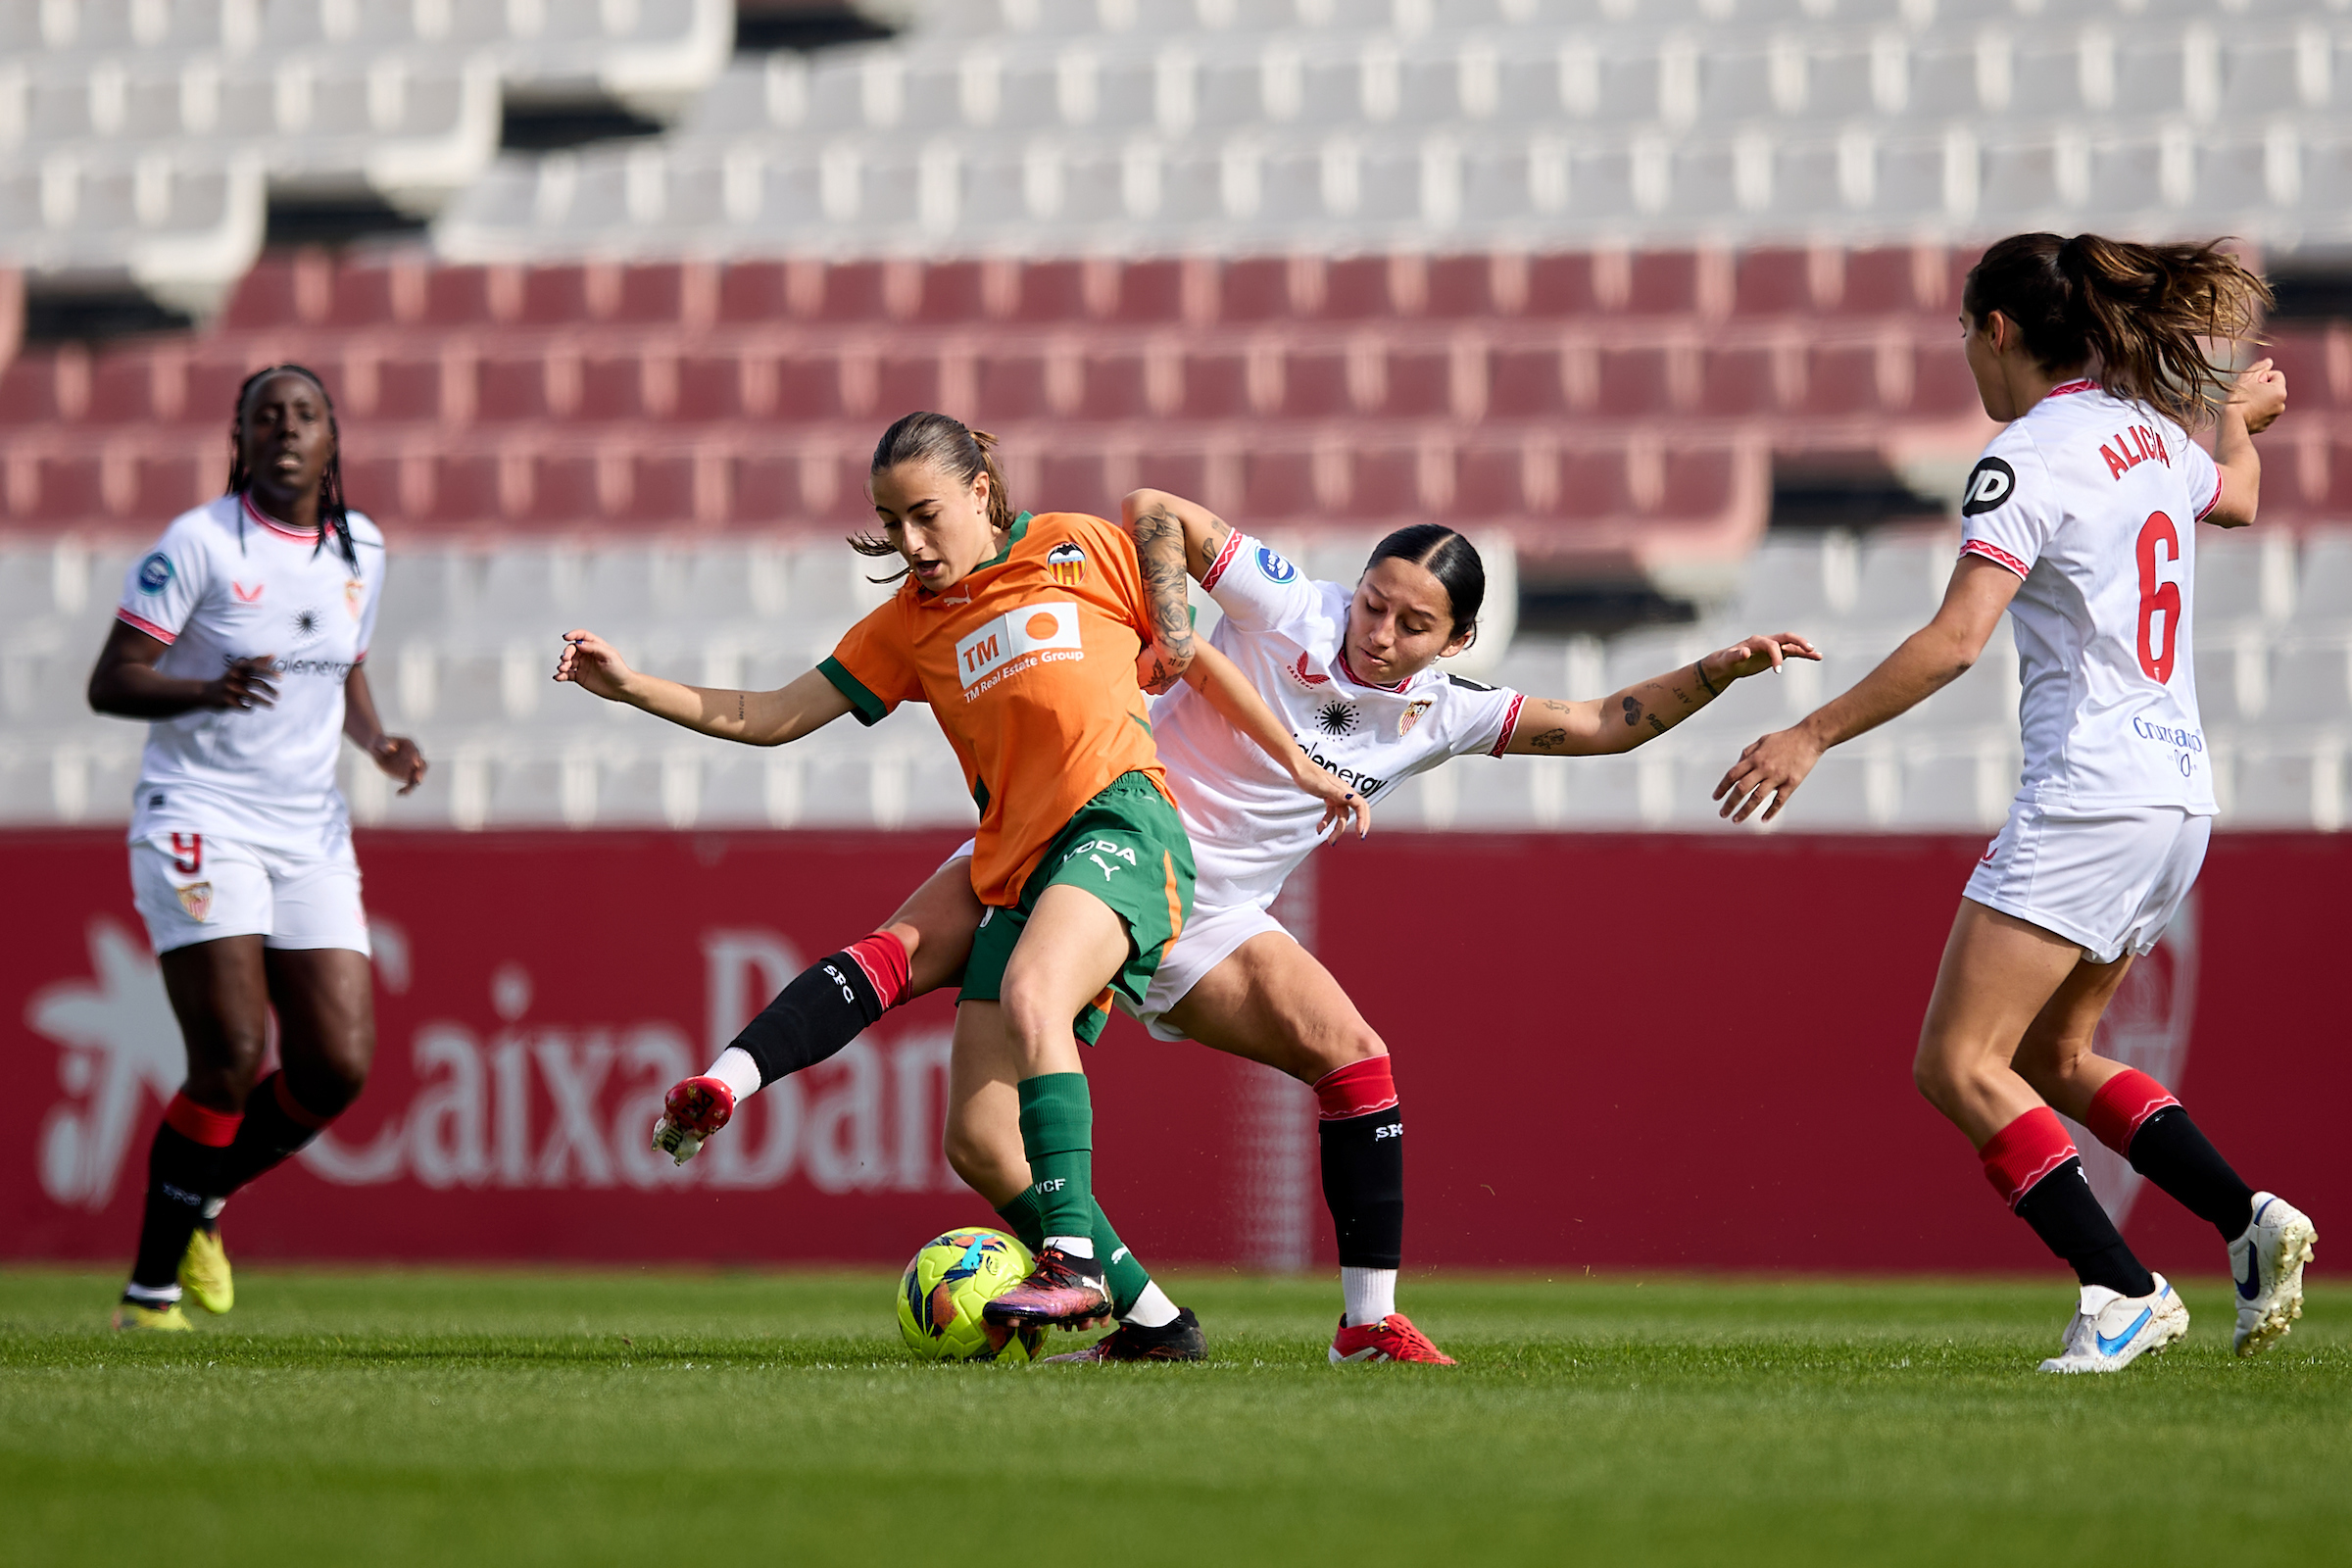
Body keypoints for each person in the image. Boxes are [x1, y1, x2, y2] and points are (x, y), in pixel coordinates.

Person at [651, 493, 1815, 1363]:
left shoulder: (1446, 713)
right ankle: (1149, 1317)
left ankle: (1367, 1324)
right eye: (1373, 601)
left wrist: (1720, 670)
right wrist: (1174, 620)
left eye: (1412, 624)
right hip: (1082, 828)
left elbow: (1604, 722)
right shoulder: (1290, 600)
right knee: (979, 1137)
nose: (1376, 632)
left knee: (1355, 1059)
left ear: (1455, 644)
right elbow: (1159, 511)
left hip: (1202, 915)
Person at [557, 412, 1361, 1337]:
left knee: (1033, 993)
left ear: (981, 492)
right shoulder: (909, 623)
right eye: (890, 521)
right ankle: (1155, 1325)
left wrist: (1302, 766)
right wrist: (633, 688)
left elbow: (1202, 667)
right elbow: (770, 716)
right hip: (1015, 859)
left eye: (925, 515)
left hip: (1123, 823)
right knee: (977, 1140)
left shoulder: (1080, 547)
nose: (909, 542)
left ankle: (1072, 1263)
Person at [1714, 232, 2314, 1373]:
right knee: (2055, 1052)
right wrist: (2235, 421)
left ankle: (2122, 1287)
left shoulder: (2026, 455)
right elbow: (2233, 496)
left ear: (1997, 331)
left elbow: (1957, 640)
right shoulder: (2151, 435)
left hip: (2090, 794)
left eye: (1965, 334)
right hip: (2178, 798)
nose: (1966, 355)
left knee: (1957, 1062)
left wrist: (1811, 732)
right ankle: (2248, 1220)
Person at [86, 364, 427, 1332]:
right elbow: (112, 680)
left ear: (331, 439)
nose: (285, 429)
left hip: (309, 829)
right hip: (200, 815)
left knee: (336, 1067)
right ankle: (150, 1295)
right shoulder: (198, 544)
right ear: (239, 439)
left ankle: (200, 1199)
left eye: (303, 415)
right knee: (231, 1054)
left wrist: (378, 742)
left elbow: (345, 667)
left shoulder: (363, 547)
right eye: (265, 417)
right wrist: (207, 688)